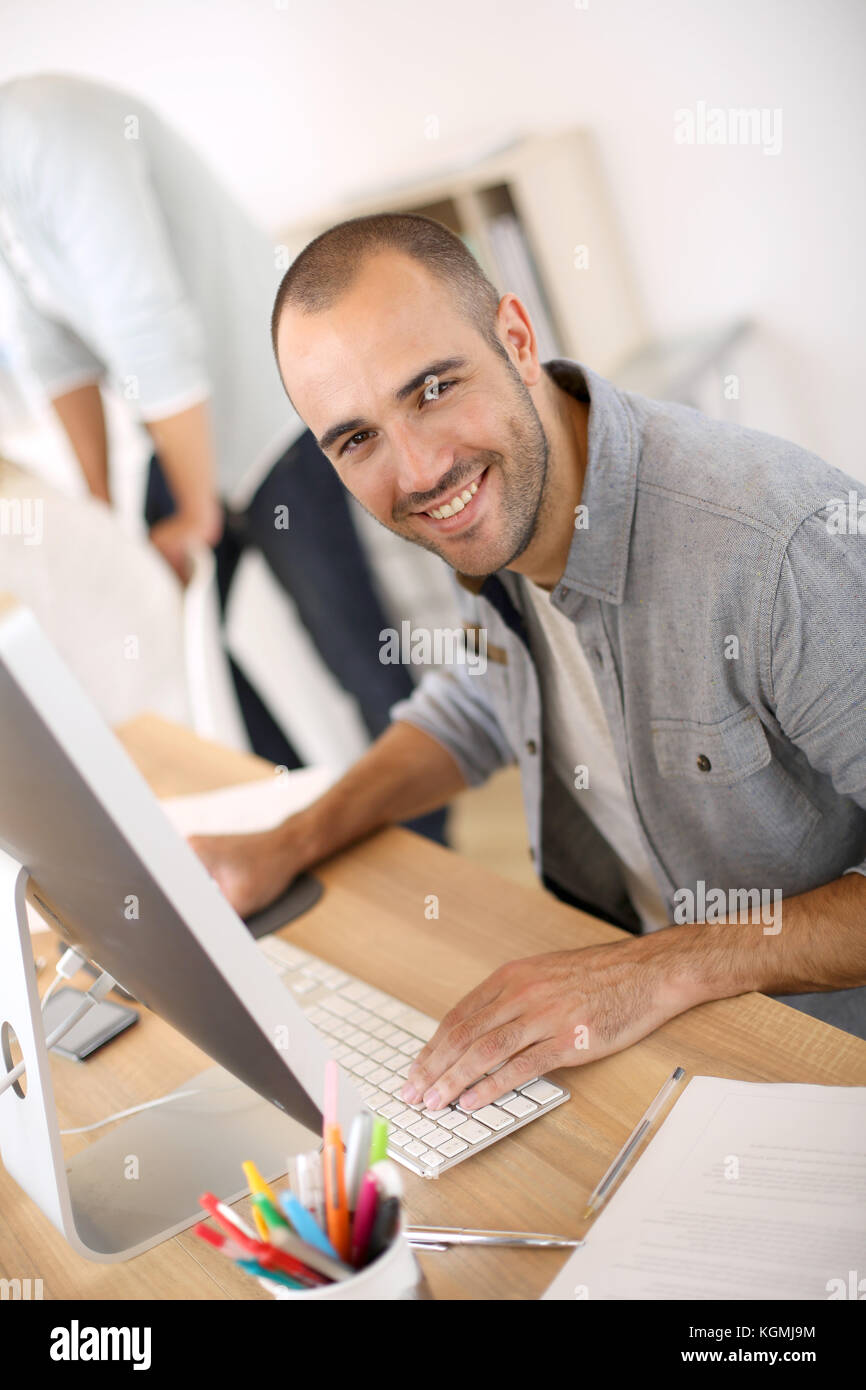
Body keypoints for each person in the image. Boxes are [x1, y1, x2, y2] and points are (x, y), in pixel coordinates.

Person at [190, 210, 866, 1117]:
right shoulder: (509, 513)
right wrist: (288, 845)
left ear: (515, 336)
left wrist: (655, 969)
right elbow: (475, 703)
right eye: (358, 439)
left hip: (818, 1061)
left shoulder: (779, 547)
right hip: (660, 1031)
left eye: (432, 388)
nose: (421, 471)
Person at [0, 74, 445, 845]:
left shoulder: (52, 132)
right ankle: (277, 829)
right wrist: (107, 514)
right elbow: (53, 358)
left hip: (275, 408)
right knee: (197, 657)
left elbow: (150, 328)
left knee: (352, 647)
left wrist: (196, 508)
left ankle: (429, 853)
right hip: (186, 427)